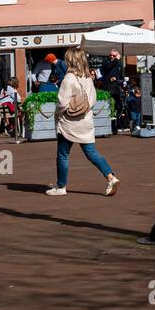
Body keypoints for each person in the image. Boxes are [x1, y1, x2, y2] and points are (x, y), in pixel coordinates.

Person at [46, 47, 119, 197]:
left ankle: (61, 187)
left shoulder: (68, 79)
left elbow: (62, 103)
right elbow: (92, 100)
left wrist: (57, 113)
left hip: (69, 122)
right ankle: (110, 177)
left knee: (63, 154)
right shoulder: (87, 78)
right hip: (86, 121)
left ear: (70, 61)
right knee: (91, 153)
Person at [102, 48, 125, 125]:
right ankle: (109, 125)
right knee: (108, 106)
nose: (111, 57)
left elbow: (121, 76)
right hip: (108, 88)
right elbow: (107, 67)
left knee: (117, 107)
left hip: (116, 89)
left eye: (114, 56)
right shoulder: (106, 61)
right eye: (110, 55)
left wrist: (117, 79)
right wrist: (116, 59)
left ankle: (116, 125)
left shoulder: (119, 63)